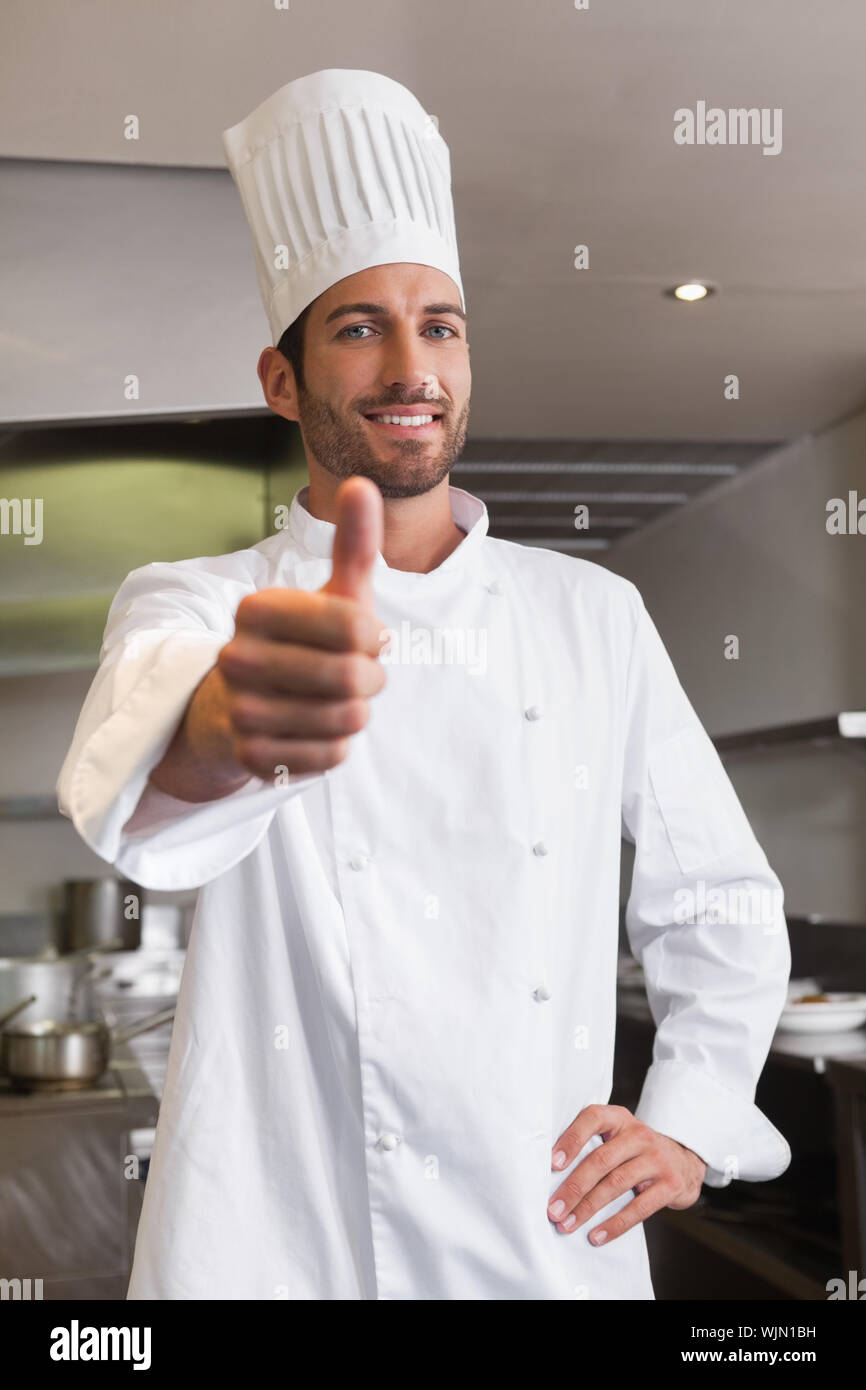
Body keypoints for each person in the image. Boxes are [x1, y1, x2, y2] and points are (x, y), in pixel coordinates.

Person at [57, 69, 791, 1300]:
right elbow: (150, 751)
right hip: (275, 1242)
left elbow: (713, 894)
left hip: (542, 1233)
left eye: (439, 324)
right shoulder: (194, 600)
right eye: (358, 327)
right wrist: (237, 728)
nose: (412, 365)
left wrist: (690, 1117)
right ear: (282, 381)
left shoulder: (590, 615)